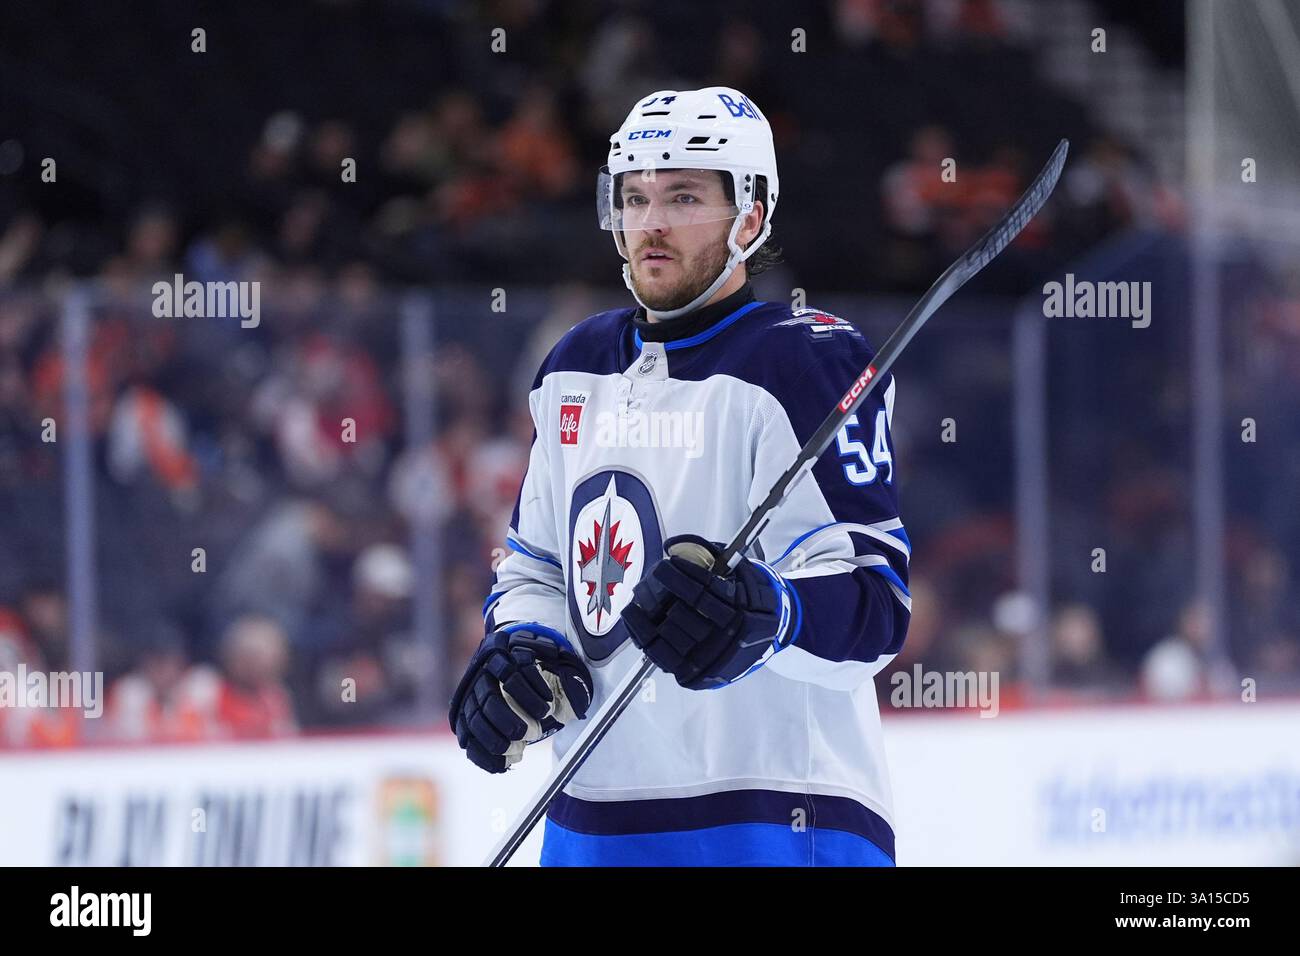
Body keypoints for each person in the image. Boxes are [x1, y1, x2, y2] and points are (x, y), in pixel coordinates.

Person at [449, 87, 910, 866]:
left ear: (751, 218)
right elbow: (534, 569)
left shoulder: (804, 361)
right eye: (633, 198)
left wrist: (770, 614)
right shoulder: (574, 367)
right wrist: (524, 647)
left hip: (776, 823)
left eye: (683, 196)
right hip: (592, 827)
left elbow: (877, 604)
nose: (649, 223)